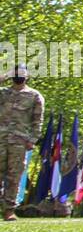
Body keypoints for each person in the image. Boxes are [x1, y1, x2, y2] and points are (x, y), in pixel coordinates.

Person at [0, 65, 43, 221]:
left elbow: (37, 120)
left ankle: (9, 210)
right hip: (1, 139)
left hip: (19, 141)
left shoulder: (34, 96)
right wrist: (4, 76)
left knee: (14, 176)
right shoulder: (3, 93)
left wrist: (32, 140)